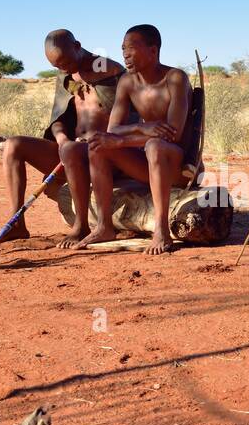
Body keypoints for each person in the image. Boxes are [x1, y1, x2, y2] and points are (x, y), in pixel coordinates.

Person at [0, 29, 125, 247]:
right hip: (71, 153)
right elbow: (58, 120)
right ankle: (17, 223)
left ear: (77, 46)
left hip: (106, 157)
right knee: (13, 145)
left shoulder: (111, 72)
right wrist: (62, 139)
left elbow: (127, 121)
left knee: (72, 151)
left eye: (64, 62)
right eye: (56, 66)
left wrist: (101, 139)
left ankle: (81, 226)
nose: (62, 68)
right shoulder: (66, 74)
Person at [76, 24, 193, 255]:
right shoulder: (128, 83)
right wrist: (146, 127)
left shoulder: (175, 78)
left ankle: (161, 229)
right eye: (122, 49)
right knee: (98, 145)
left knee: (155, 146)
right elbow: (113, 130)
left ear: (153, 50)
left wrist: (125, 139)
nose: (125, 54)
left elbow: (174, 134)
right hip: (148, 160)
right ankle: (104, 225)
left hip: (178, 166)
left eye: (131, 48)